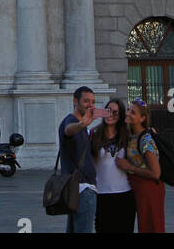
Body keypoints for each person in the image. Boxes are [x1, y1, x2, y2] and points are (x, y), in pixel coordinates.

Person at [115, 100, 164, 233]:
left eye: (133, 112)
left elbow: (155, 173)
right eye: (129, 110)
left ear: (142, 118)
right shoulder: (131, 135)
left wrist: (129, 167)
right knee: (144, 225)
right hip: (137, 187)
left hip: (148, 187)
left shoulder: (145, 139)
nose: (128, 113)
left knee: (151, 226)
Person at [90, 98, 135, 234]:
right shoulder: (94, 134)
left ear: (121, 115)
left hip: (124, 195)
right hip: (101, 195)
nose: (111, 115)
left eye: (115, 113)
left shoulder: (128, 136)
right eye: (108, 111)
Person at [58, 86, 99, 234]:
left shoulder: (82, 126)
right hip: (83, 188)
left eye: (93, 101)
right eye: (86, 101)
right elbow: (68, 130)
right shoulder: (71, 121)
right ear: (75, 101)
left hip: (75, 189)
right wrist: (82, 124)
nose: (91, 105)